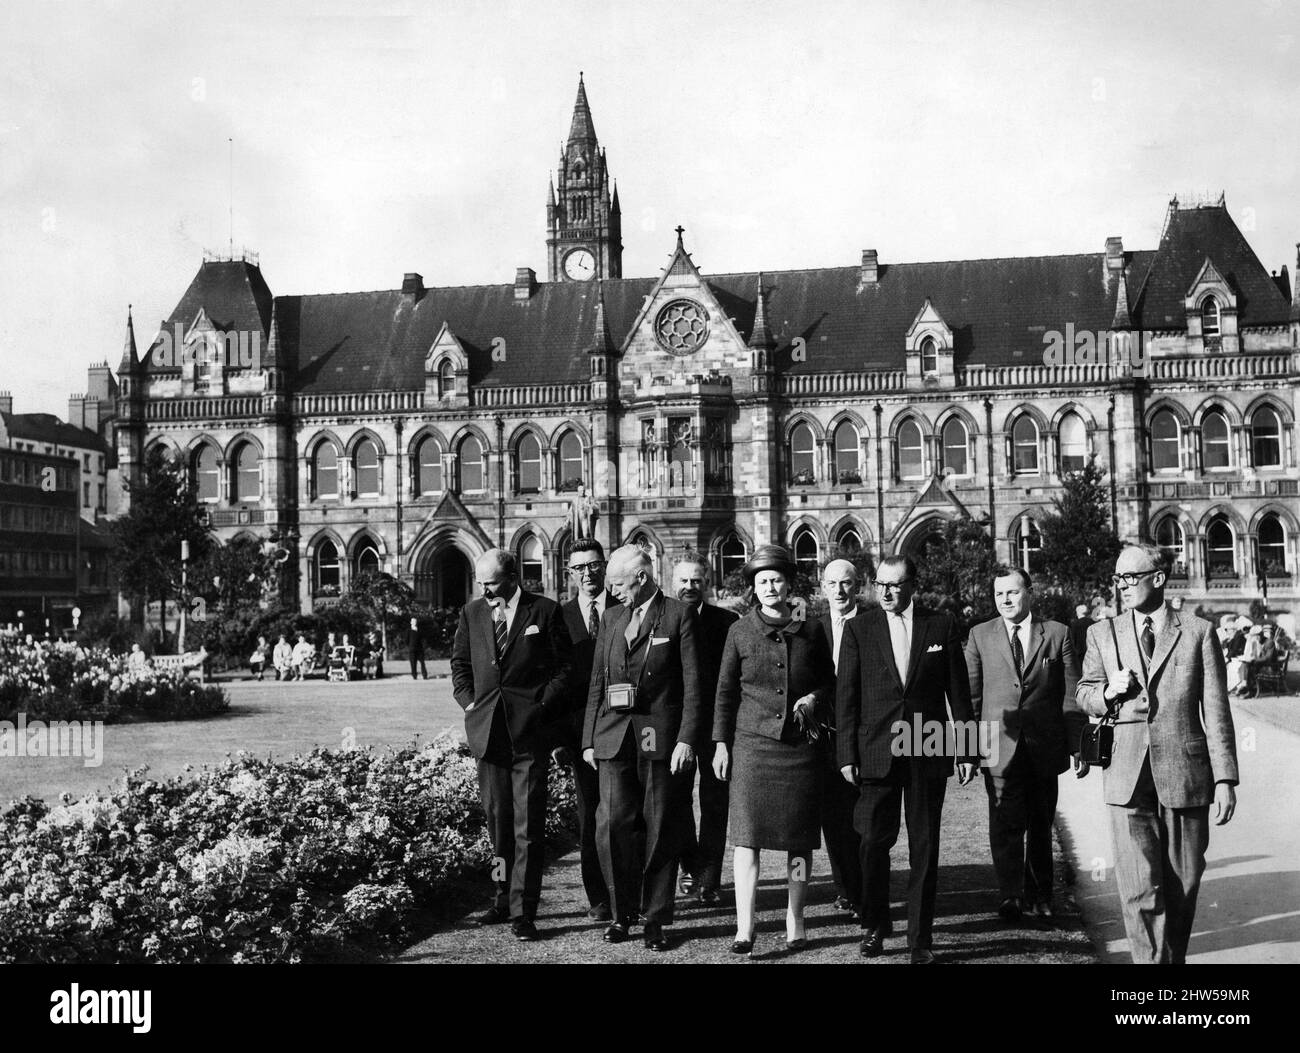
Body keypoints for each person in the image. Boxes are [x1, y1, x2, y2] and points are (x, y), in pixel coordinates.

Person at [1077, 543, 1238, 965]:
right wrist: (1107, 692)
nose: (1122, 586)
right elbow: (1084, 693)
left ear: (1158, 578)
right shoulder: (1102, 632)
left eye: (1130, 577)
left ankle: (1171, 960)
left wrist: (1225, 780)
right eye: (1118, 579)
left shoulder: (1198, 632)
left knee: (1183, 883)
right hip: (1126, 775)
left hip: (1187, 773)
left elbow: (1217, 710)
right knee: (1136, 886)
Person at [836, 554, 977, 964]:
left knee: (925, 846)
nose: (886, 592)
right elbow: (846, 697)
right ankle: (875, 924)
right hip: (875, 750)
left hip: (925, 746)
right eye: (880, 584)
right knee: (872, 843)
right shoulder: (859, 629)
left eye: (895, 585)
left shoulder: (941, 626)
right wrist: (846, 753)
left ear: (913, 584)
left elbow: (959, 695)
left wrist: (967, 749)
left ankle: (921, 939)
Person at [714, 545, 834, 954]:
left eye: (776, 579)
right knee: (747, 840)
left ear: (788, 584)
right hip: (752, 747)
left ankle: (795, 918)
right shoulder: (739, 632)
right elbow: (725, 693)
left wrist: (815, 697)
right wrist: (719, 744)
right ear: (753, 587)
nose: (769, 586)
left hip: (801, 749)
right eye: (762, 580)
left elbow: (830, 682)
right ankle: (744, 927)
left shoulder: (812, 630)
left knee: (798, 842)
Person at [583, 545, 702, 952]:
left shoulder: (678, 615)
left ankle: (655, 918)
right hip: (614, 737)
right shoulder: (612, 617)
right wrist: (588, 740)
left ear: (643, 578)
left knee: (659, 828)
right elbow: (598, 683)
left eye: (617, 582)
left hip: (660, 739)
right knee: (612, 825)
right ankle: (622, 913)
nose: (611, 590)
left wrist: (687, 738)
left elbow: (693, 687)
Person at [451, 549, 572, 942]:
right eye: (481, 583)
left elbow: (564, 670)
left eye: (493, 582)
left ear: (514, 577)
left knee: (527, 827)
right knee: (497, 826)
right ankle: (502, 895)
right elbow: (460, 666)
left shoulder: (545, 612)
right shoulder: (472, 614)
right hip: (489, 737)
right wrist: (470, 703)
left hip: (529, 737)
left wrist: (540, 707)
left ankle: (524, 911)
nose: (486, 590)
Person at [964, 566, 1087, 926]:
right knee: (1003, 823)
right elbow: (970, 699)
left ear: (1030, 593)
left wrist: (1078, 743)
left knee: (1040, 824)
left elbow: (1070, 696)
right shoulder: (979, 636)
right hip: (996, 746)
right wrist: (968, 751)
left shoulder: (1057, 634)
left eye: (1013, 592)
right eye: (999, 594)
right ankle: (1011, 894)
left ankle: (1041, 895)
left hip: (1043, 748)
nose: (1005, 600)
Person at [672, 555, 738, 906]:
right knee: (676, 800)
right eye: (683, 580)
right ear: (673, 582)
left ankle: (709, 879)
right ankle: (691, 865)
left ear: (706, 583)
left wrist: (725, 734)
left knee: (715, 802)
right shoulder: (663, 619)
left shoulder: (726, 622)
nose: (689, 587)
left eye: (696, 581)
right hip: (677, 728)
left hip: (715, 727)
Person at [557, 538, 614, 922]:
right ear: (570, 573)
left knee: (628, 814)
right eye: (579, 568)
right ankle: (598, 897)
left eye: (594, 566)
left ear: (605, 567)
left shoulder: (625, 610)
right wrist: (561, 740)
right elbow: (556, 682)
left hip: (624, 727)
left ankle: (631, 891)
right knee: (590, 815)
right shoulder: (559, 618)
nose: (588, 574)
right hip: (581, 734)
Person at [817, 558, 866, 919]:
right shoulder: (814, 630)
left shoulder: (872, 624)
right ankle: (845, 888)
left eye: (846, 583)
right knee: (834, 816)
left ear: (858, 586)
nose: (839, 591)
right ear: (823, 588)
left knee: (864, 814)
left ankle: (865, 884)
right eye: (832, 584)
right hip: (827, 734)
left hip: (866, 730)